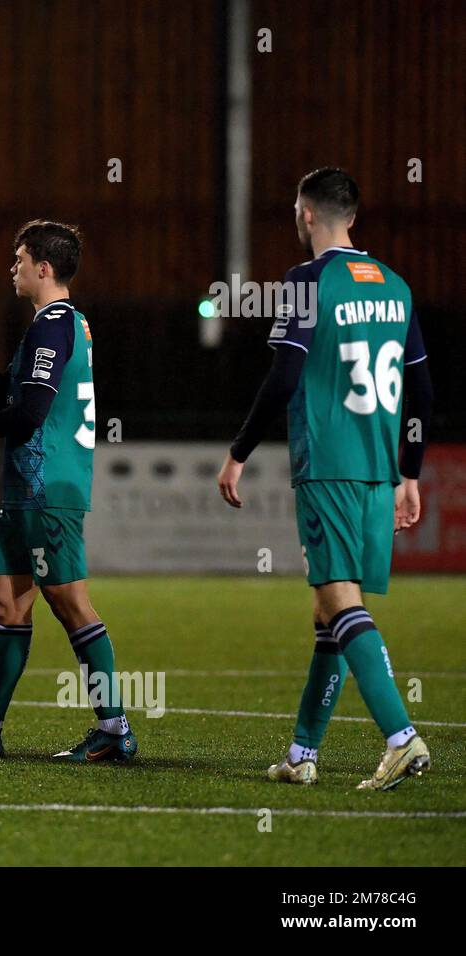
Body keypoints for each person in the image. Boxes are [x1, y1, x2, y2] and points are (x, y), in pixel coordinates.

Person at [218, 167, 433, 791]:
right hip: (376, 469)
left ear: (307, 213)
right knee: (327, 612)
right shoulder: (395, 285)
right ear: (354, 217)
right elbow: (422, 388)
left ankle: (401, 738)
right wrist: (410, 474)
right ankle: (301, 752)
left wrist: (239, 451)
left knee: (341, 601)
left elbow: (285, 378)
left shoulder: (307, 282)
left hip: (329, 465)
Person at [0, 220, 137, 762]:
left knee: (70, 603)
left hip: (47, 487)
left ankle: (115, 728)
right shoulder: (59, 325)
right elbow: (8, 394)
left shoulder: (54, 325)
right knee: (9, 605)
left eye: (18, 259)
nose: (11, 269)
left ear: (43, 267)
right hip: (27, 489)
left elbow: (31, 413)